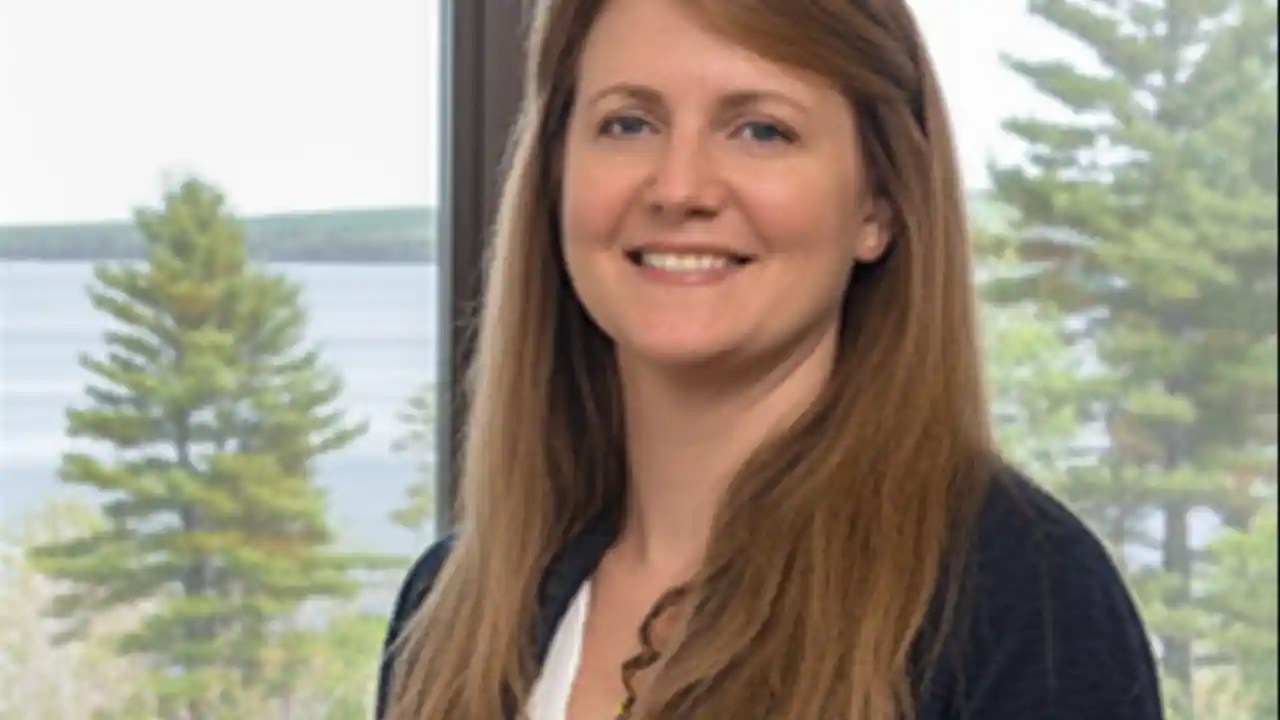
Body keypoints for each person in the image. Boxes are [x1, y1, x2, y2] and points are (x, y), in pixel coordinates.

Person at [377, 0, 1164, 717]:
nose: (679, 186)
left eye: (761, 130)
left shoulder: (1017, 596)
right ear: (554, 176)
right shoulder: (449, 607)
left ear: (878, 206)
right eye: (628, 123)